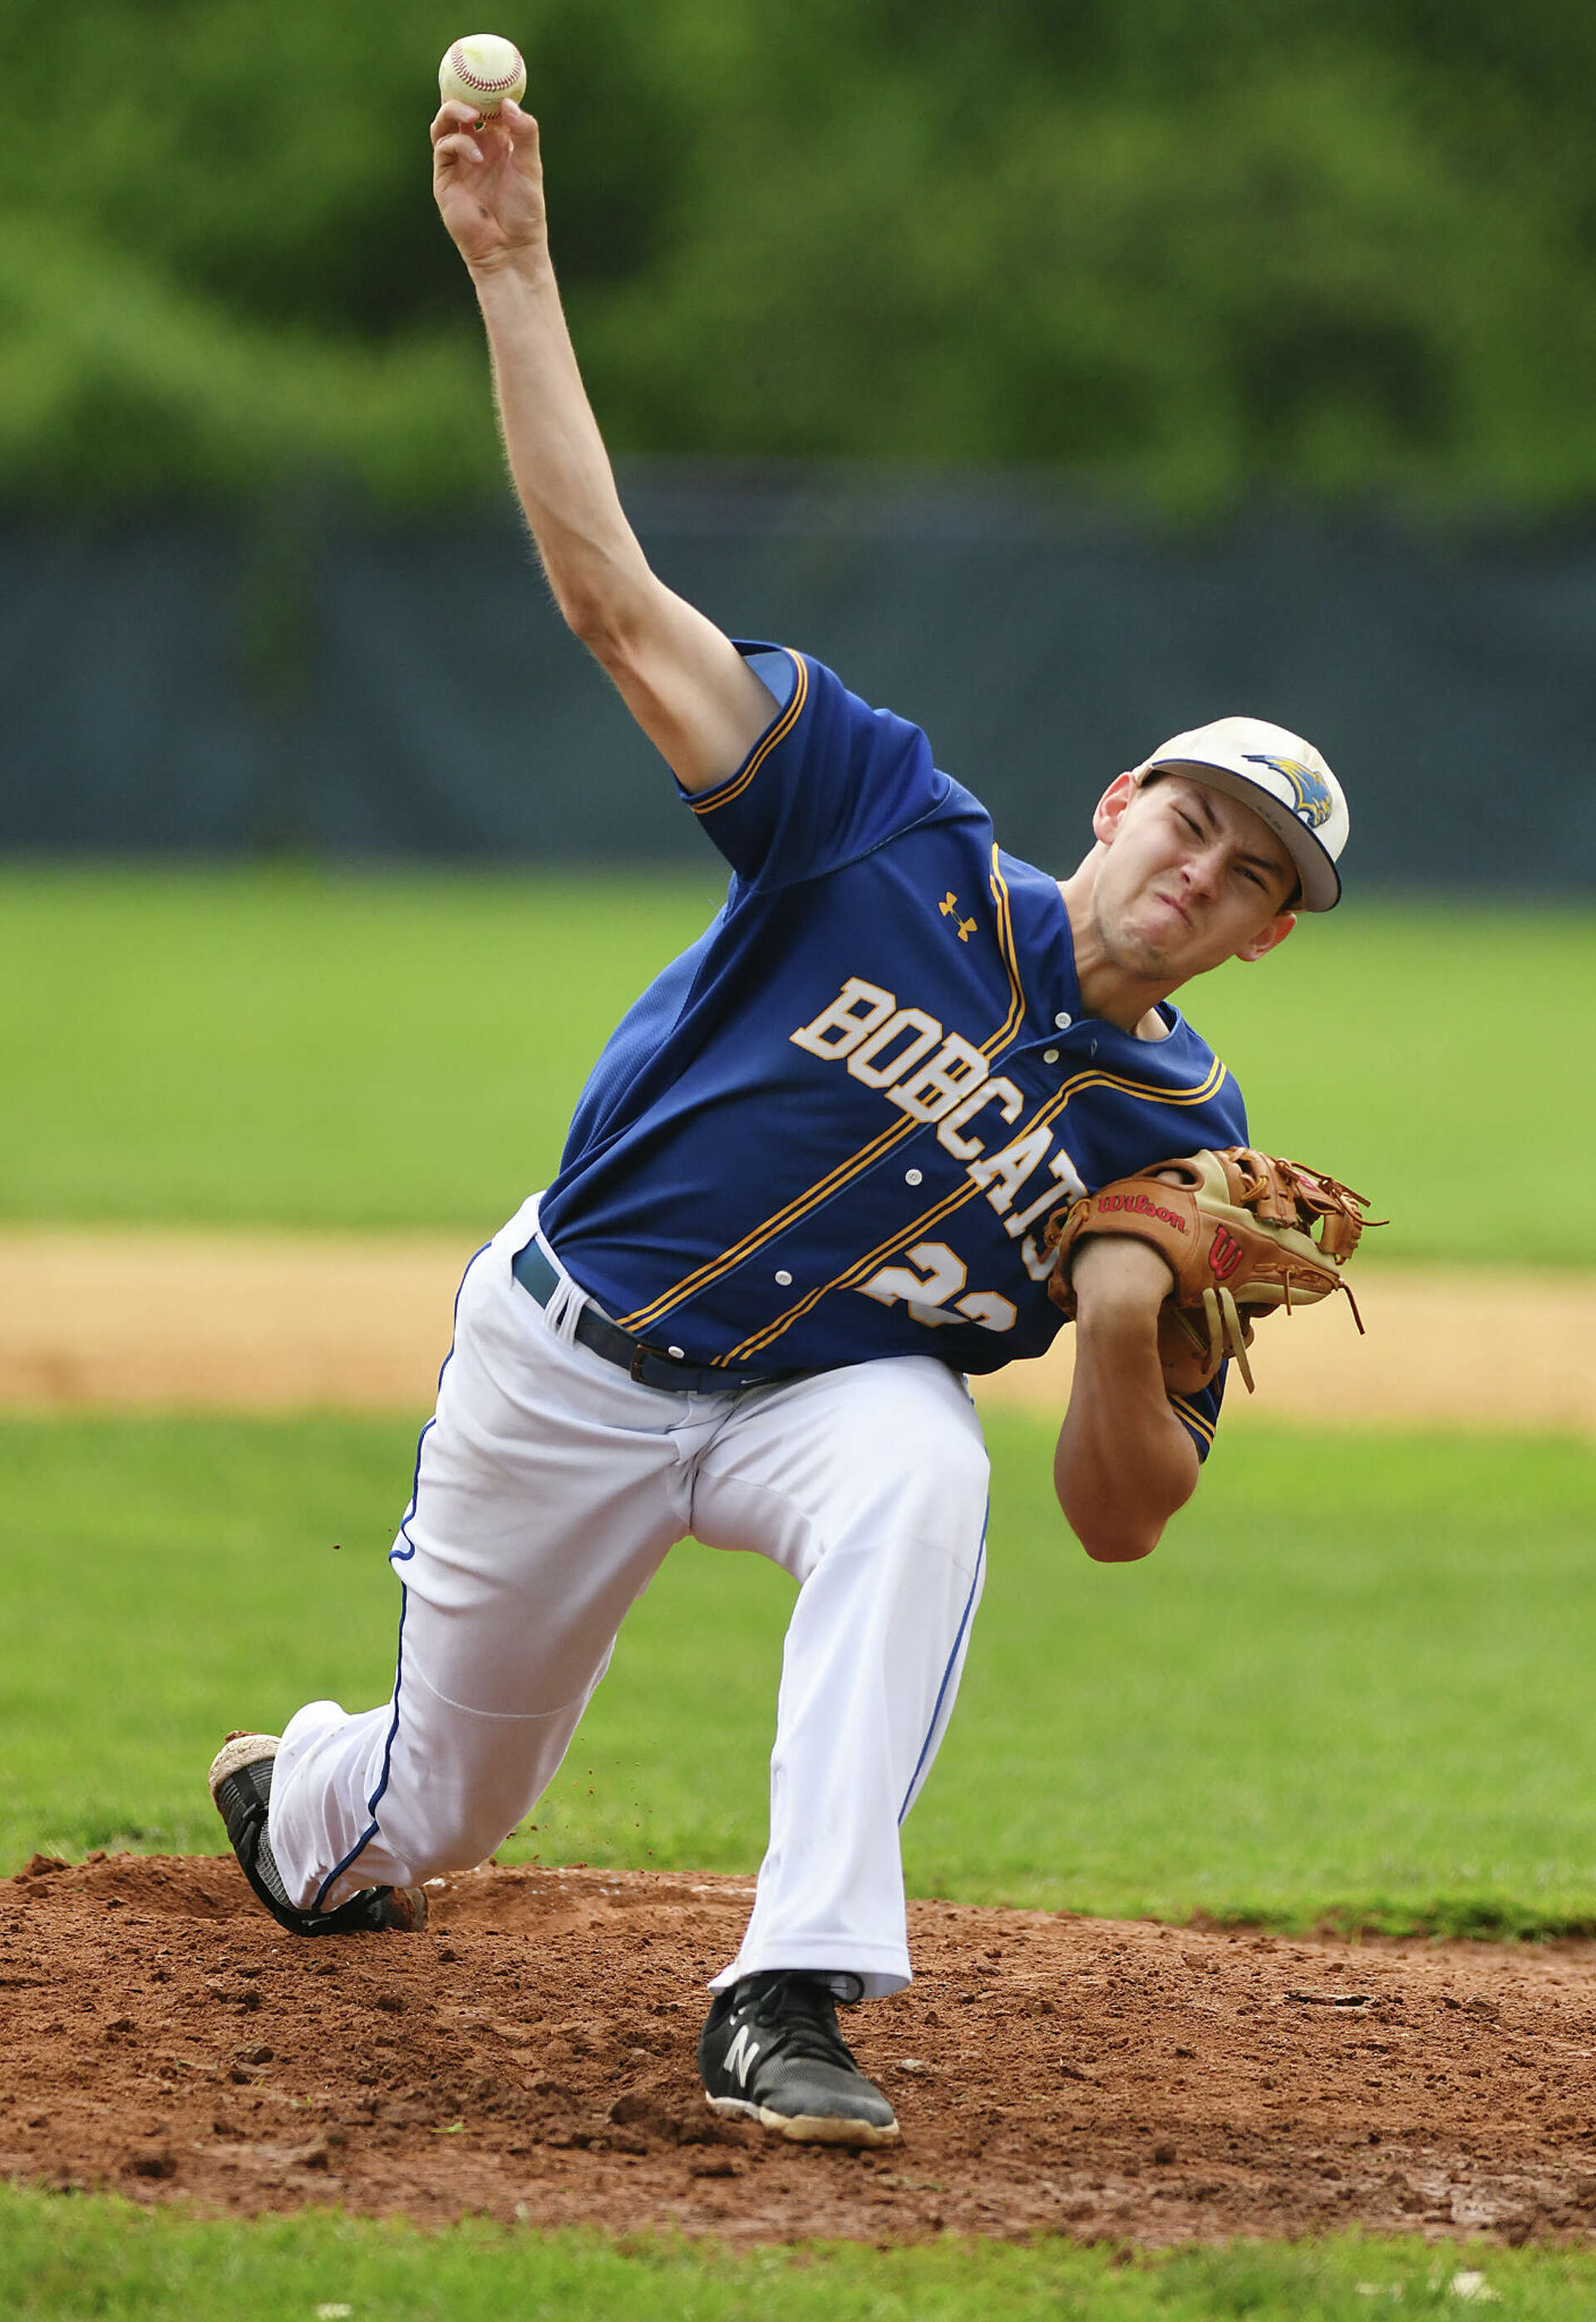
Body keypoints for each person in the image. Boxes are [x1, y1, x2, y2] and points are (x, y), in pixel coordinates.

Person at [208, 93, 1352, 2150]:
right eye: (1194, 817)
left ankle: (794, 1986)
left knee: (925, 1464)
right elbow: (618, 608)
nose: (1206, 867)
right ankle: (305, 1796)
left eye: (1253, 871)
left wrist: (1112, 1313)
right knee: (440, 1810)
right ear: (1119, 803)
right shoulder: (877, 819)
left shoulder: (1181, 1139)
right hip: (566, 1356)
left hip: (806, 1406)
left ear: (1265, 936)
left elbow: (1118, 1511)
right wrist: (513, 267)